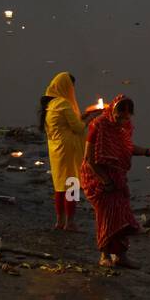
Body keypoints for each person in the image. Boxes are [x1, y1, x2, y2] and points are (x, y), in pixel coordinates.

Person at [80, 95, 150, 268]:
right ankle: (104, 255)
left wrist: (149, 152)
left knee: (121, 216)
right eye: (120, 116)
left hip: (117, 176)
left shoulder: (125, 127)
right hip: (96, 176)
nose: (123, 120)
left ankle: (121, 256)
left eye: (127, 116)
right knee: (106, 216)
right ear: (113, 111)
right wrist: (104, 181)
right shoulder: (98, 125)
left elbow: (127, 148)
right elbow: (89, 159)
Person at [39, 71, 101, 231]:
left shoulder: (51, 105)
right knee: (72, 185)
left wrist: (85, 114)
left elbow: (68, 123)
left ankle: (59, 221)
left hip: (56, 149)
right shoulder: (64, 104)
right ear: (66, 86)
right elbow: (78, 127)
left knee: (60, 186)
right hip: (69, 149)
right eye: (71, 86)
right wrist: (92, 117)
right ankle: (70, 222)